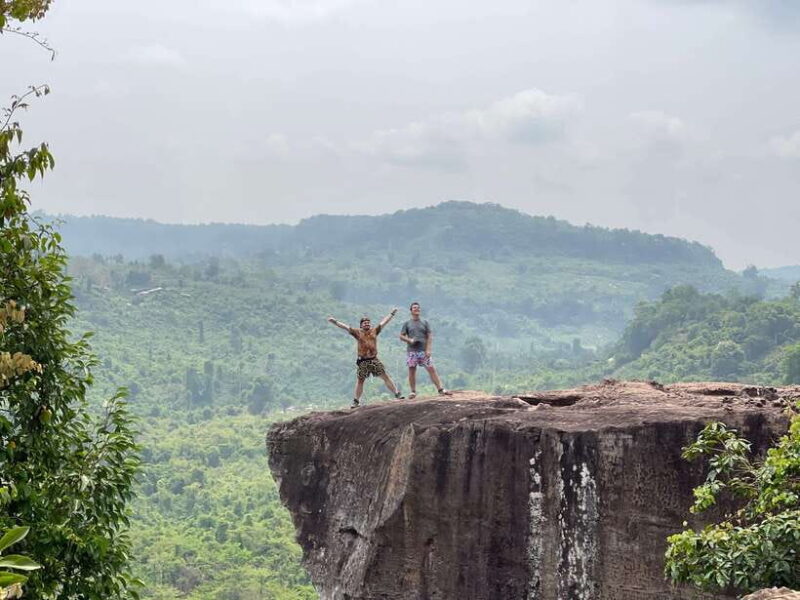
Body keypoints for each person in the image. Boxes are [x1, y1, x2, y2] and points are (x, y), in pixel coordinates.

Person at [327, 308, 404, 408]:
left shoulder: (374, 331)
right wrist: (335, 322)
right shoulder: (357, 332)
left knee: (385, 376)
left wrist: (391, 314)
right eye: (364, 323)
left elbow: (384, 322)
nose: (367, 324)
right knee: (360, 380)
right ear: (361, 325)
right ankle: (356, 401)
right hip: (363, 361)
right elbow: (345, 327)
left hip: (373, 359)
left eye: (368, 323)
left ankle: (397, 394)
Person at [399, 302, 452, 399]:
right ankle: (413, 391)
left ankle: (440, 389)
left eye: (418, 308)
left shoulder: (425, 322)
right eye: (414, 308)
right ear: (411, 311)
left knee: (431, 369)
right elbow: (401, 336)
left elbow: (430, 336)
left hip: (423, 350)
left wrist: (428, 349)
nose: (416, 309)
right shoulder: (407, 323)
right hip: (412, 351)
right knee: (412, 370)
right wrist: (409, 340)